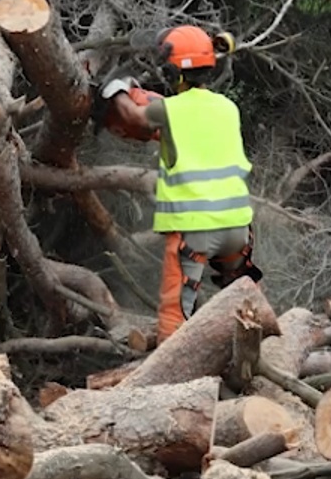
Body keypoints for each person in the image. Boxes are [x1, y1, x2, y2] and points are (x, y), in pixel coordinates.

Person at [103, 25, 261, 342]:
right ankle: (254, 354)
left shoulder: (168, 110)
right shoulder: (227, 108)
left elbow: (133, 117)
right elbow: (191, 133)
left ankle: (171, 385)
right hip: (238, 227)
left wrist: (115, 89)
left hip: (194, 233)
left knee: (175, 314)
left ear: (173, 71)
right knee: (244, 299)